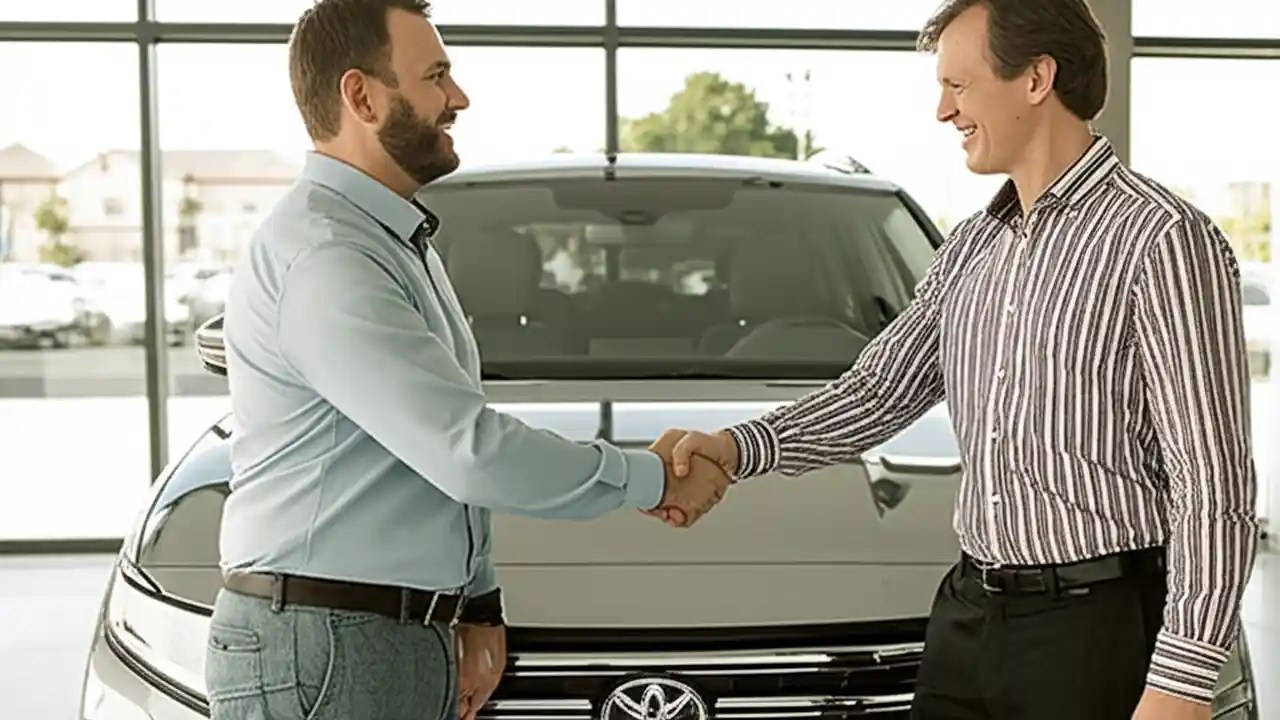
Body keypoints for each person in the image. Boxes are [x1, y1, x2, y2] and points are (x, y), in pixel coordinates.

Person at [652, 1, 1260, 718]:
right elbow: (878, 391)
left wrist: (1182, 685)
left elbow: (1213, 485)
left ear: (1036, 77)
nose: (943, 111)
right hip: (968, 617)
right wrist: (732, 448)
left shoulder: (1162, 241)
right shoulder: (972, 245)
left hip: (1094, 630)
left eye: (959, 86)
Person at [204, 2, 729, 719]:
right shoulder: (329, 258)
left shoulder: (393, 241)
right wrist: (649, 477)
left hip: (383, 635)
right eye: (437, 76)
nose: (459, 98)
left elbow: (437, 449)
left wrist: (477, 600)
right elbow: (467, 450)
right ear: (361, 96)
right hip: (327, 649)